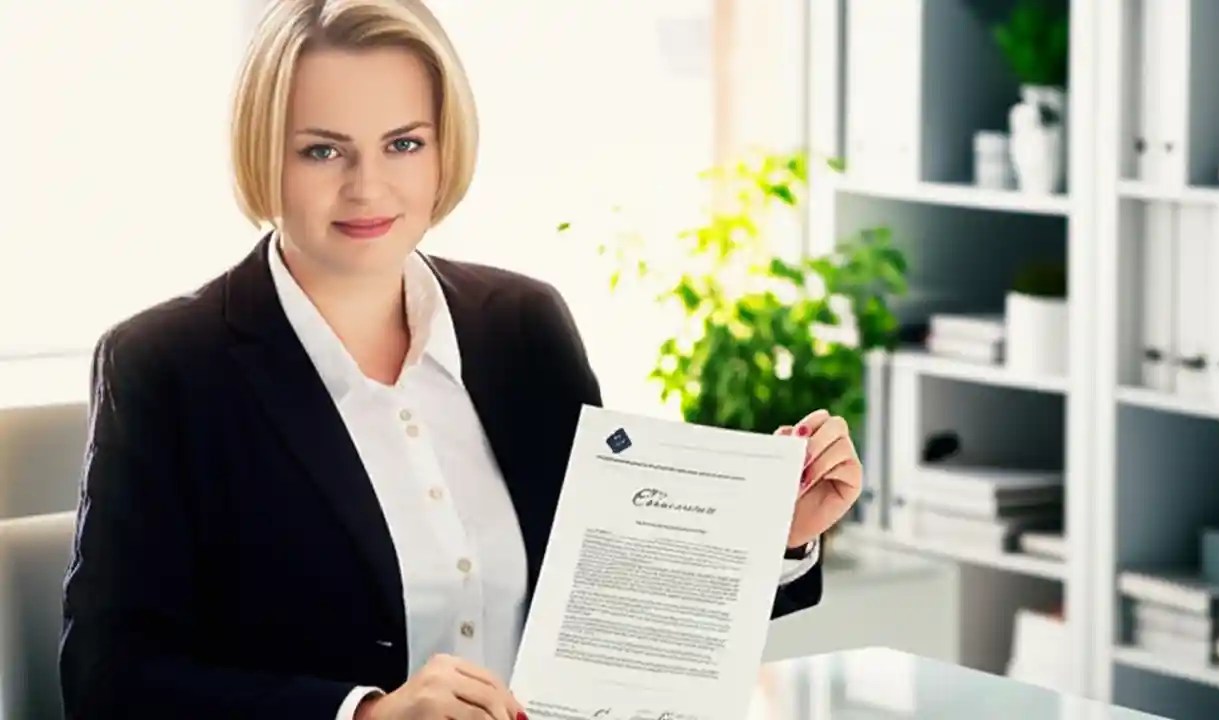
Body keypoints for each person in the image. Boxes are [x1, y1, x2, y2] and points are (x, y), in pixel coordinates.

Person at [58, 1, 862, 719]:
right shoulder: (165, 367)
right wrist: (364, 717)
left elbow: (612, 601)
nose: (369, 187)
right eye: (322, 151)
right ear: (264, 154)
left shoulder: (523, 327)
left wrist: (775, 540)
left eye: (403, 143)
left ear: (445, 150)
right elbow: (110, 680)